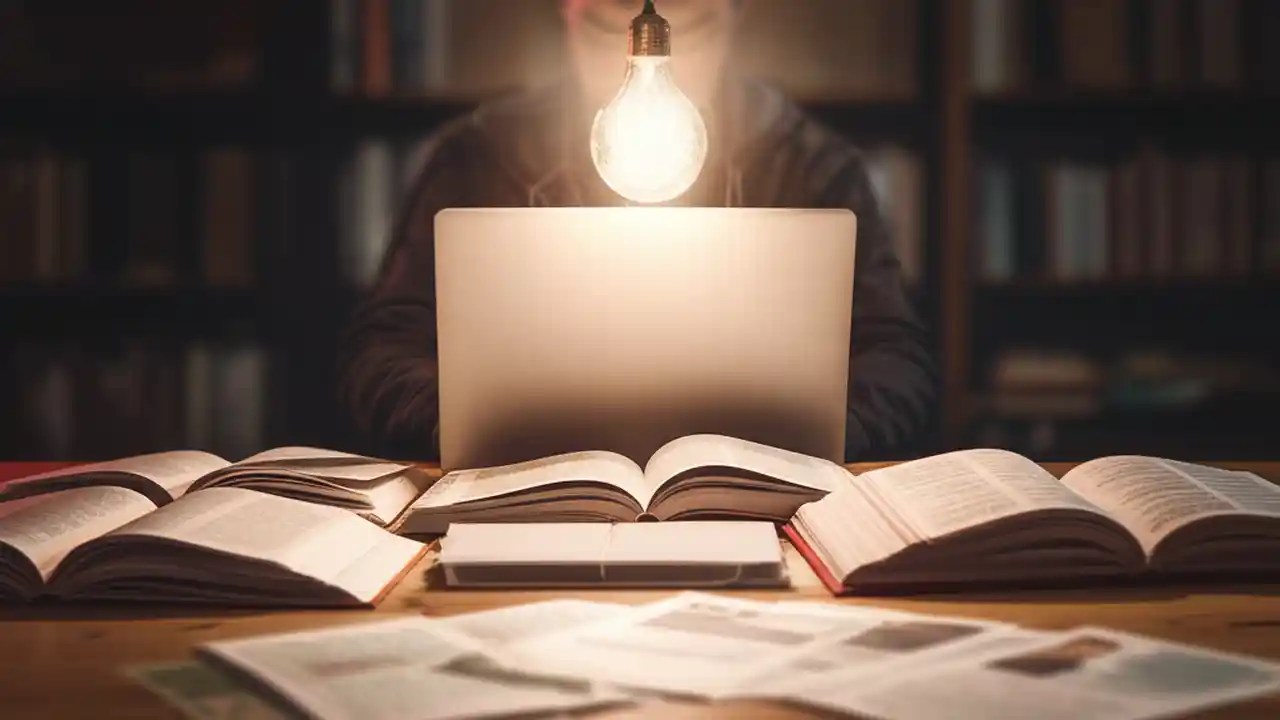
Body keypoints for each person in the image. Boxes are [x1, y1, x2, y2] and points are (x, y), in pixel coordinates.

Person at [340, 0, 937, 461]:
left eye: (696, 27)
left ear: (736, 14)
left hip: (760, 512)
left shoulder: (809, 167)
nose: (658, 63)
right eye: (605, 28)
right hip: (528, 505)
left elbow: (898, 358)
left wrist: (807, 441)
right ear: (566, 13)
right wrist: (471, 427)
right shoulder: (481, 158)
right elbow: (384, 348)